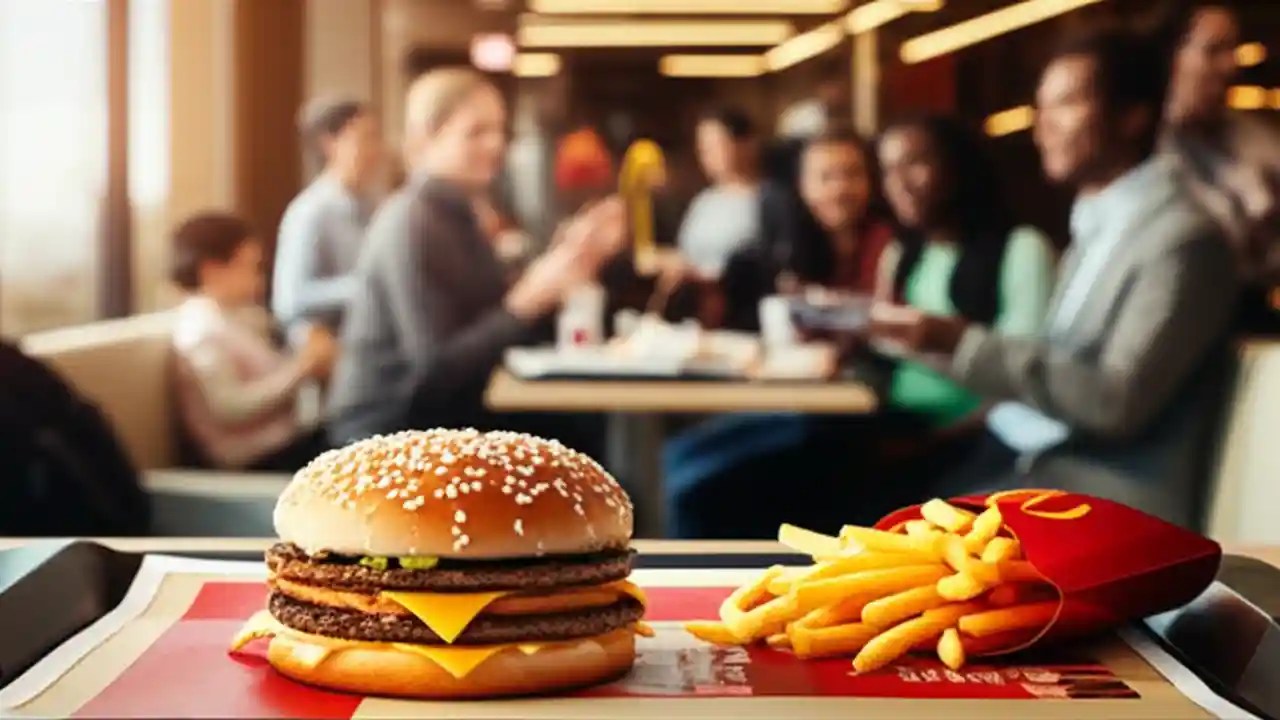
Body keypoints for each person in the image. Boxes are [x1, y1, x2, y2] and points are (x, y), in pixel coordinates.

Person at [867, 25, 1239, 529]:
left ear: (1132, 117)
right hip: (1034, 456)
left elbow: (1116, 403)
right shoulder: (1100, 222)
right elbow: (1058, 369)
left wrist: (960, 342)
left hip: (1108, 490)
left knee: (868, 512)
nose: (1042, 127)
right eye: (1041, 108)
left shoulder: (1183, 239)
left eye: (1065, 104)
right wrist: (936, 344)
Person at [327, 68, 626, 444]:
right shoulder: (413, 222)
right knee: (581, 443)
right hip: (389, 436)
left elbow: (492, 326)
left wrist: (575, 262)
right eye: (476, 132)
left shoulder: (458, 216)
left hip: (443, 421)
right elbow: (434, 372)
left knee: (585, 436)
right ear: (426, 139)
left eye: (500, 130)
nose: (495, 144)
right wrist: (527, 299)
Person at [662, 129, 895, 539]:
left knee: (690, 483)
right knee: (677, 458)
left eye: (852, 174)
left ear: (871, 181)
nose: (839, 189)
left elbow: (879, 338)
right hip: (802, 404)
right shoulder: (797, 248)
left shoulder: (889, 248)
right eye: (825, 177)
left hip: (856, 419)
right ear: (802, 186)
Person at [877, 116, 1055, 428]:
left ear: (957, 168)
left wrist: (948, 438)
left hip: (979, 434)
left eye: (915, 163)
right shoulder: (900, 254)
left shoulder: (1022, 249)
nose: (900, 184)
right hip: (902, 421)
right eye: (889, 170)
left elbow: (1024, 376)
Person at [170, 213, 337, 471]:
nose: (259, 280)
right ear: (212, 271)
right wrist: (302, 369)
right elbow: (229, 408)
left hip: (289, 442)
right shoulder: (201, 331)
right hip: (259, 458)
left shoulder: (234, 316)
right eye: (250, 267)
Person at [1163, 1, 1280, 332]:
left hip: (1252, 316)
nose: (1230, 65)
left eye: (1233, 50)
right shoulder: (1146, 151)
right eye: (1214, 51)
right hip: (1182, 322)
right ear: (1174, 57)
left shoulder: (1260, 142)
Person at [272, 98, 383, 342]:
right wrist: (368, 286)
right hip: (334, 347)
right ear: (329, 144)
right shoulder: (310, 212)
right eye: (365, 138)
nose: (376, 149)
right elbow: (289, 299)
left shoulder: (374, 205)